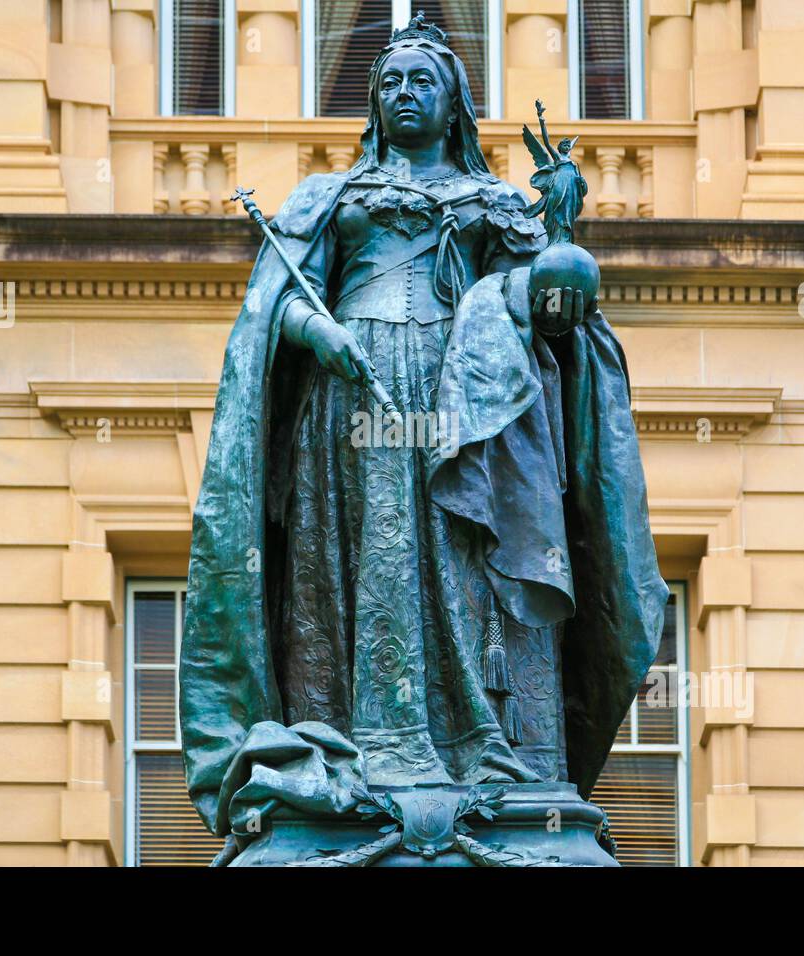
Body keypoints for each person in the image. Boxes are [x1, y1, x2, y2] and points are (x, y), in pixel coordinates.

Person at [180, 13, 668, 853]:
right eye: (391, 83)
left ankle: (484, 744)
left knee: (460, 563)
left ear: (455, 104)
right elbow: (275, 307)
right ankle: (355, 738)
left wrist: (557, 235)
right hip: (349, 396)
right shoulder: (330, 198)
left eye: (423, 82)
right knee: (357, 566)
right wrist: (317, 332)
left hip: (466, 405)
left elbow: (556, 313)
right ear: (374, 103)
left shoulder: (489, 203)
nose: (406, 94)